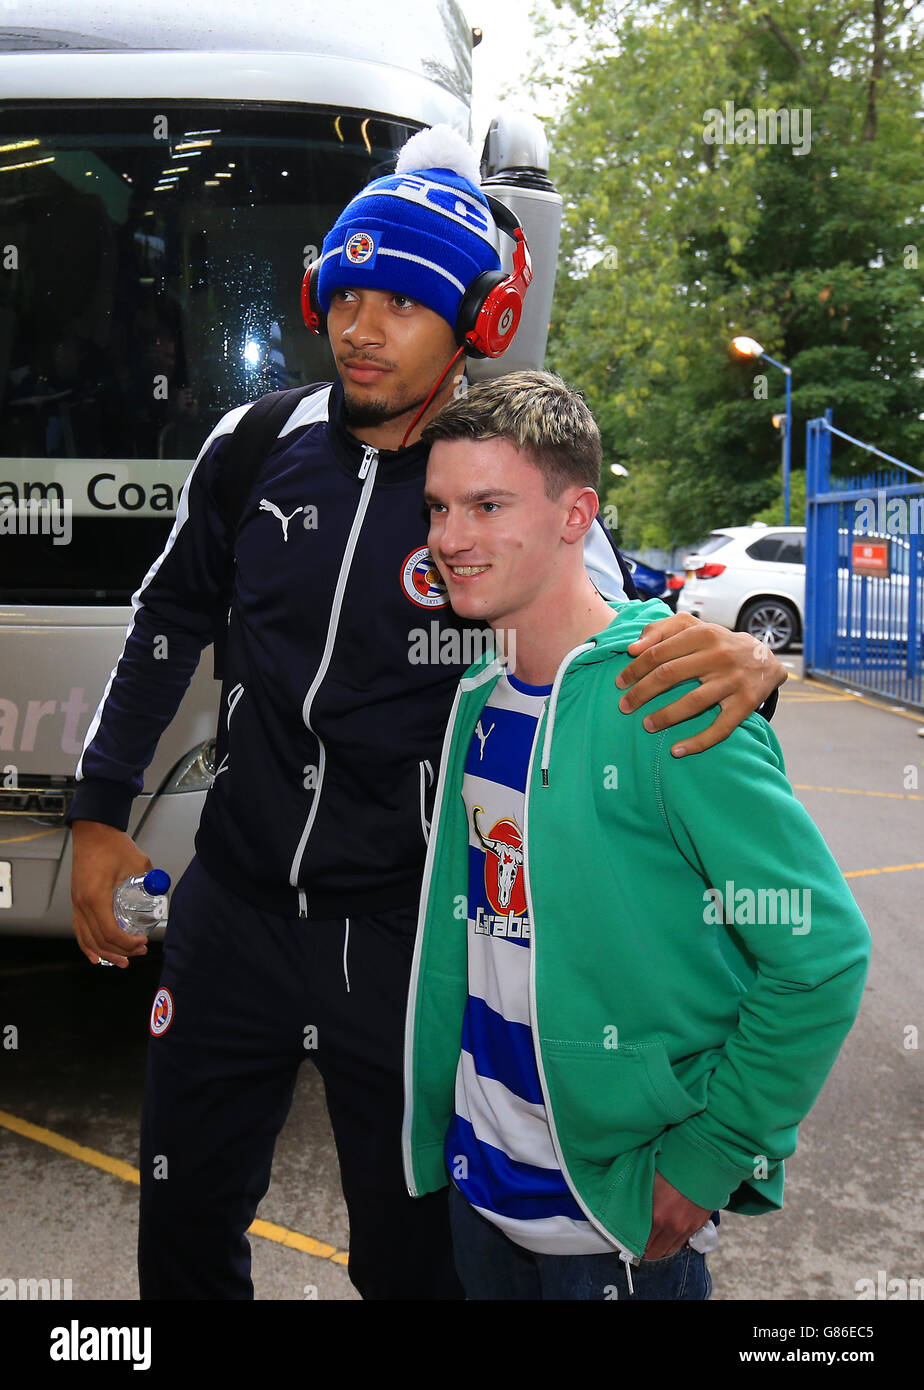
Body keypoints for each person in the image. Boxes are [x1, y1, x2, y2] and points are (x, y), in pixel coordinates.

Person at [67, 127, 786, 1301]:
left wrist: (750, 659)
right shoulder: (254, 447)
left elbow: (619, 636)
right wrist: (100, 809)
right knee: (183, 1222)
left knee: (410, 1260)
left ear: (473, 327)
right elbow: (165, 626)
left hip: (409, 938)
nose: (361, 325)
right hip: (230, 911)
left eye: (401, 302)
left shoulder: (494, 489)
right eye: (346, 292)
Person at [404, 370, 870, 1300]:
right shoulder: (475, 699)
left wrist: (708, 1158)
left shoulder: (669, 701)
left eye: (488, 505)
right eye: (439, 507)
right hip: (480, 1195)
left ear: (578, 515)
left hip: (609, 1223)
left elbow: (821, 957)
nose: (450, 539)